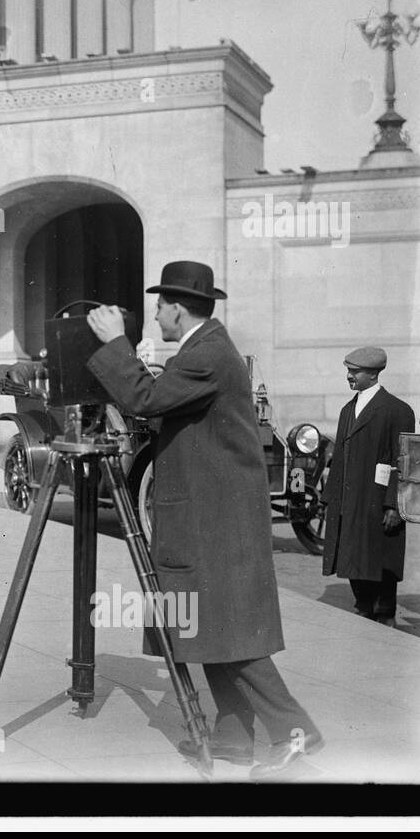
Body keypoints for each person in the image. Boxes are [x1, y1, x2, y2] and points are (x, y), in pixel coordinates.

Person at [85, 261, 322, 780]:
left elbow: (143, 399)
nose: (154, 315)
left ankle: (294, 732)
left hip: (215, 522)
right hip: (209, 516)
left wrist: (113, 343)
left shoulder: (205, 355)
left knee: (225, 628)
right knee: (205, 627)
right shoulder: (203, 347)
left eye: (158, 306)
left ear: (176, 307)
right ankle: (234, 737)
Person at [321, 347, 416, 625]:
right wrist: (331, 499)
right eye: (348, 371)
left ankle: (384, 612)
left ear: (373, 374)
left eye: (355, 372)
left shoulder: (397, 410)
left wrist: (394, 505)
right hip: (349, 499)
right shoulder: (347, 410)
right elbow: (339, 457)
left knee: (381, 557)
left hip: (377, 500)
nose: (349, 376)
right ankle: (362, 605)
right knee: (350, 553)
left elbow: (403, 462)